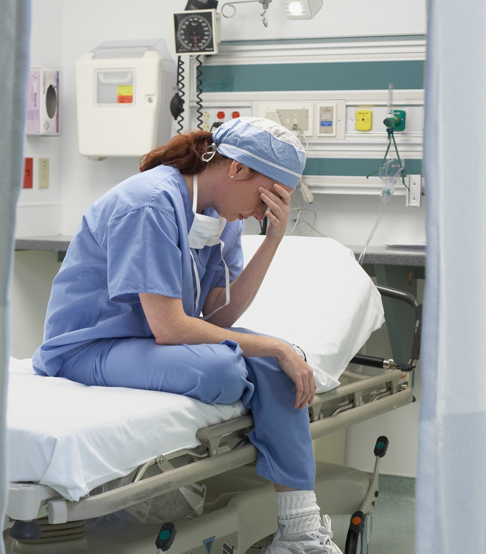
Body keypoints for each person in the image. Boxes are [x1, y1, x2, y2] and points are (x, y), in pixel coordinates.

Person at [31, 117, 341, 554]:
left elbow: (221, 313)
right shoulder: (150, 203)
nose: (261, 211)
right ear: (236, 170)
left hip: (150, 342)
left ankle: (300, 532)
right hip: (89, 346)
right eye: (265, 198)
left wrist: (272, 239)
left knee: (280, 364)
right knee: (227, 368)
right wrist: (274, 344)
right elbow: (171, 326)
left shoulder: (222, 218)